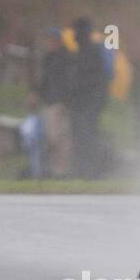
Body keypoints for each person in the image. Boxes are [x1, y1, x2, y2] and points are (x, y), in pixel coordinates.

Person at [64, 16, 108, 178]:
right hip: (79, 104)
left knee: (88, 136)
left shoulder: (92, 52)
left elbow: (96, 80)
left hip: (89, 103)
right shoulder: (79, 54)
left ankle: (91, 171)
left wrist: (96, 101)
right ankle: (81, 170)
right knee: (79, 137)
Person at [36, 28, 73, 177]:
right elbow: (45, 79)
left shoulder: (67, 58)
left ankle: (62, 169)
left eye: (51, 40)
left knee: (60, 137)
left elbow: (68, 82)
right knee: (53, 137)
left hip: (61, 103)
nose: (49, 43)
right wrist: (37, 94)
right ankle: (54, 169)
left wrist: (66, 101)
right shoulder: (49, 58)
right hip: (51, 102)